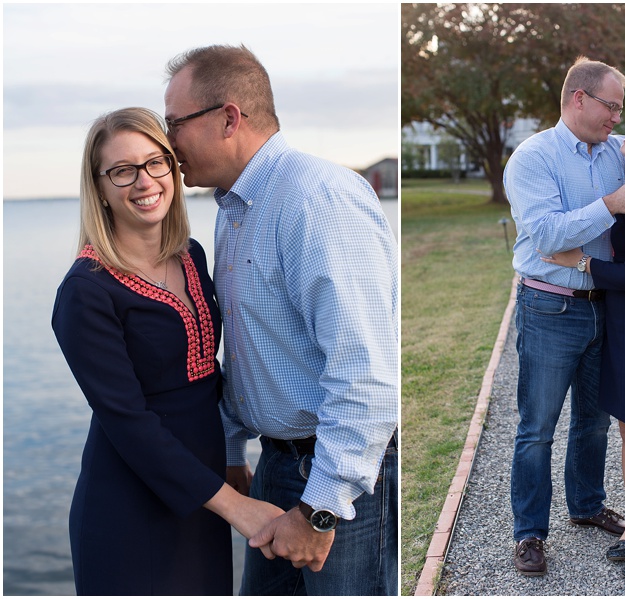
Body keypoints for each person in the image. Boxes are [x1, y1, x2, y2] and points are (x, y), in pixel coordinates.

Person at [163, 45, 398, 596]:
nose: (167, 142)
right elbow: (255, 346)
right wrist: (231, 449)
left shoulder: (316, 200)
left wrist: (320, 511)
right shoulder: (237, 208)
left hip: (341, 482)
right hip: (279, 464)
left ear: (228, 118)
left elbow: (365, 374)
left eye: (174, 123)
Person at [52, 107, 282, 595]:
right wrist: (236, 507)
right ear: (99, 188)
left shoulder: (191, 255)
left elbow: (209, 378)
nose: (144, 181)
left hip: (204, 495)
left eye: (155, 162)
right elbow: (127, 421)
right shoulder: (85, 291)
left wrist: (232, 453)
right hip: (128, 509)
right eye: (122, 170)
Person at [503, 56, 625, 577]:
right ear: (579, 98)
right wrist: (612, 204)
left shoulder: (618, 150)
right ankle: (529, 533)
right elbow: (547, 236)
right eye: (611, 107)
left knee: (596, 422)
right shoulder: (533, 157)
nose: (617, 118)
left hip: (611, 309)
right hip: (551, 305)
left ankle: (588, 505)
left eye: (622, 110)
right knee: (537, 426)